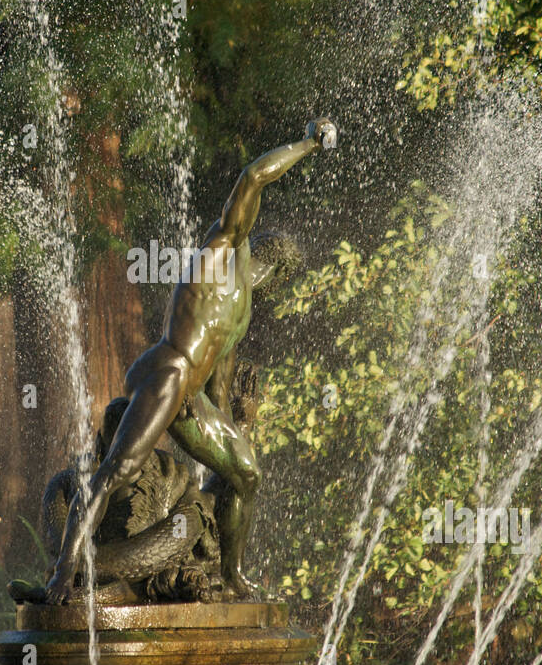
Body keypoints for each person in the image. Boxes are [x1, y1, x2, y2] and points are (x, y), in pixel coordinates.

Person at [45, 117, 336, 603]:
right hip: (167, 372)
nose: (273, 281)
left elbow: (219, 390)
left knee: (247, 474)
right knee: (117, 470)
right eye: (277, 270)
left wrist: (233, 432)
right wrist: (308, 144)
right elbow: (253, 176)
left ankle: (232, 574)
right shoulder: (224, 244)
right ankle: (64, 571)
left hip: (191, 395)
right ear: (263, 253)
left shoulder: (242, 309)